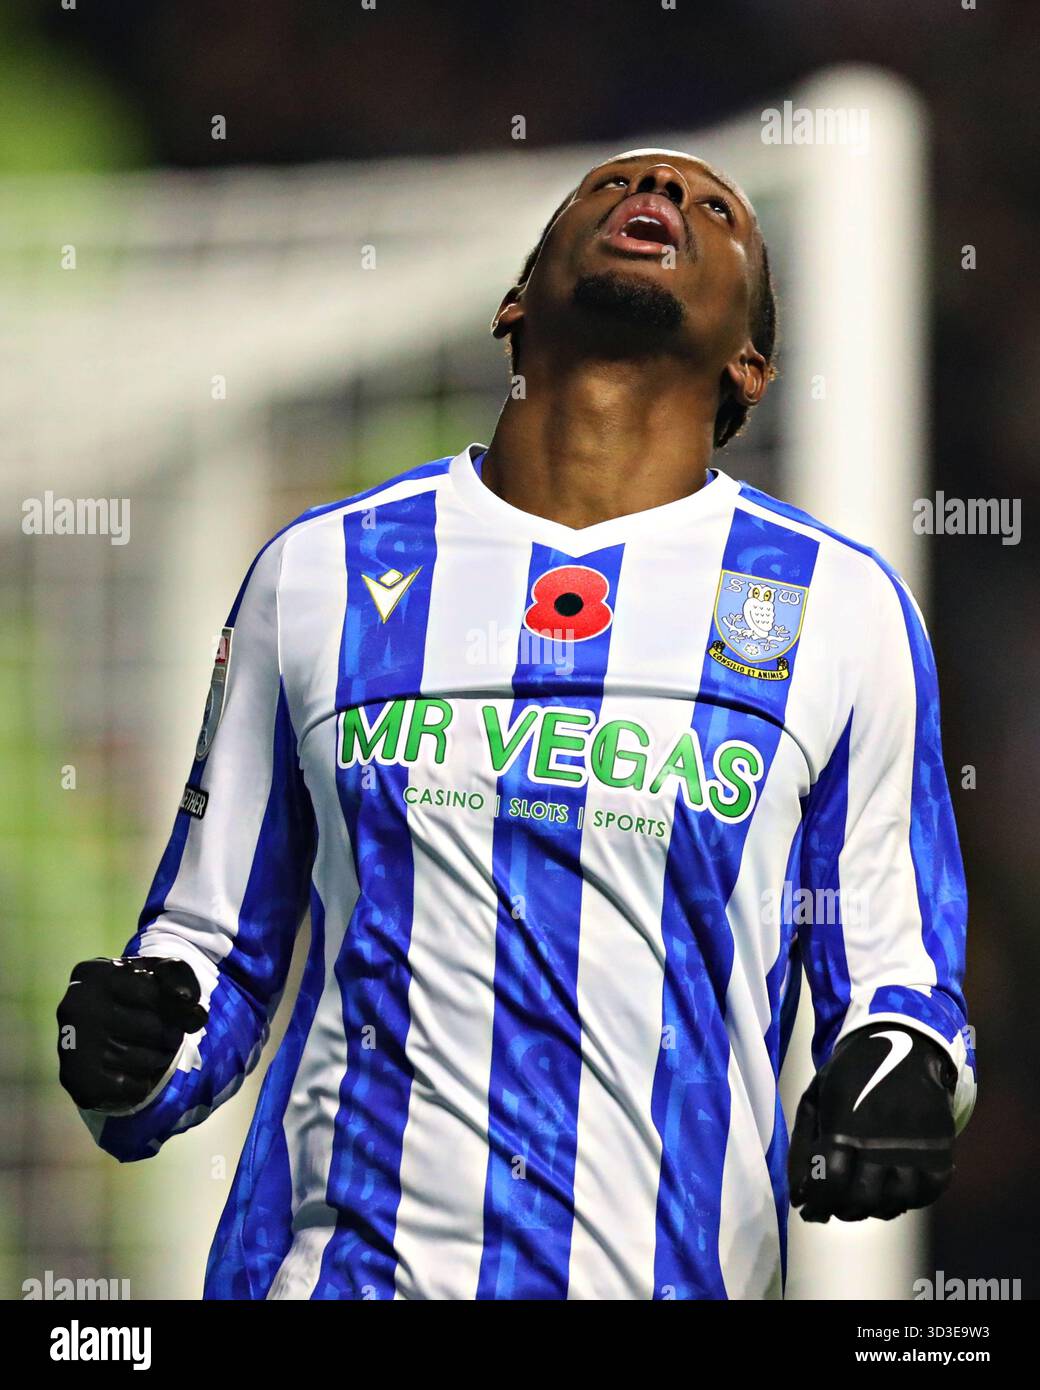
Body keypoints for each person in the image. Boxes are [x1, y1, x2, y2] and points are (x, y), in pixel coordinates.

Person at [57, 149, 975, 1300]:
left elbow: (895, 981)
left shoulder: (838, 610)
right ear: (514, 299)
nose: (658, 197)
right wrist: (124, 1053)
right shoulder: (322, 573)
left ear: (750, 361)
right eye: (613, 186)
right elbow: (207, 957)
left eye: (713, 207)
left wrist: (898, 1079)